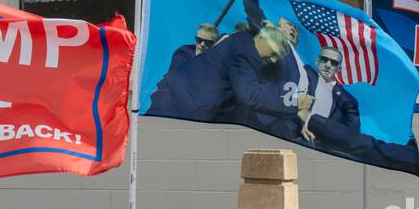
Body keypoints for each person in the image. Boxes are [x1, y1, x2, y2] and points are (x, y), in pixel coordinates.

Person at [147, 23, 297, 129]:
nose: (273, 60)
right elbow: (249, 96)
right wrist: (293, 105)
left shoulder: (237, 42)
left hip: (168, 104)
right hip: (184, 113)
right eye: (273, 53)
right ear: (262, 37)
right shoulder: (245, 53)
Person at [297, 48, 361, 149]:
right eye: (324, 59)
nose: (328, 65)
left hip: (322, 148)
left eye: (334, 63)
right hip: (289, 135)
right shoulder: (303, 73)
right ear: (317, 61)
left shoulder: (348, 100)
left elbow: (352, 135)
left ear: (339, 69)